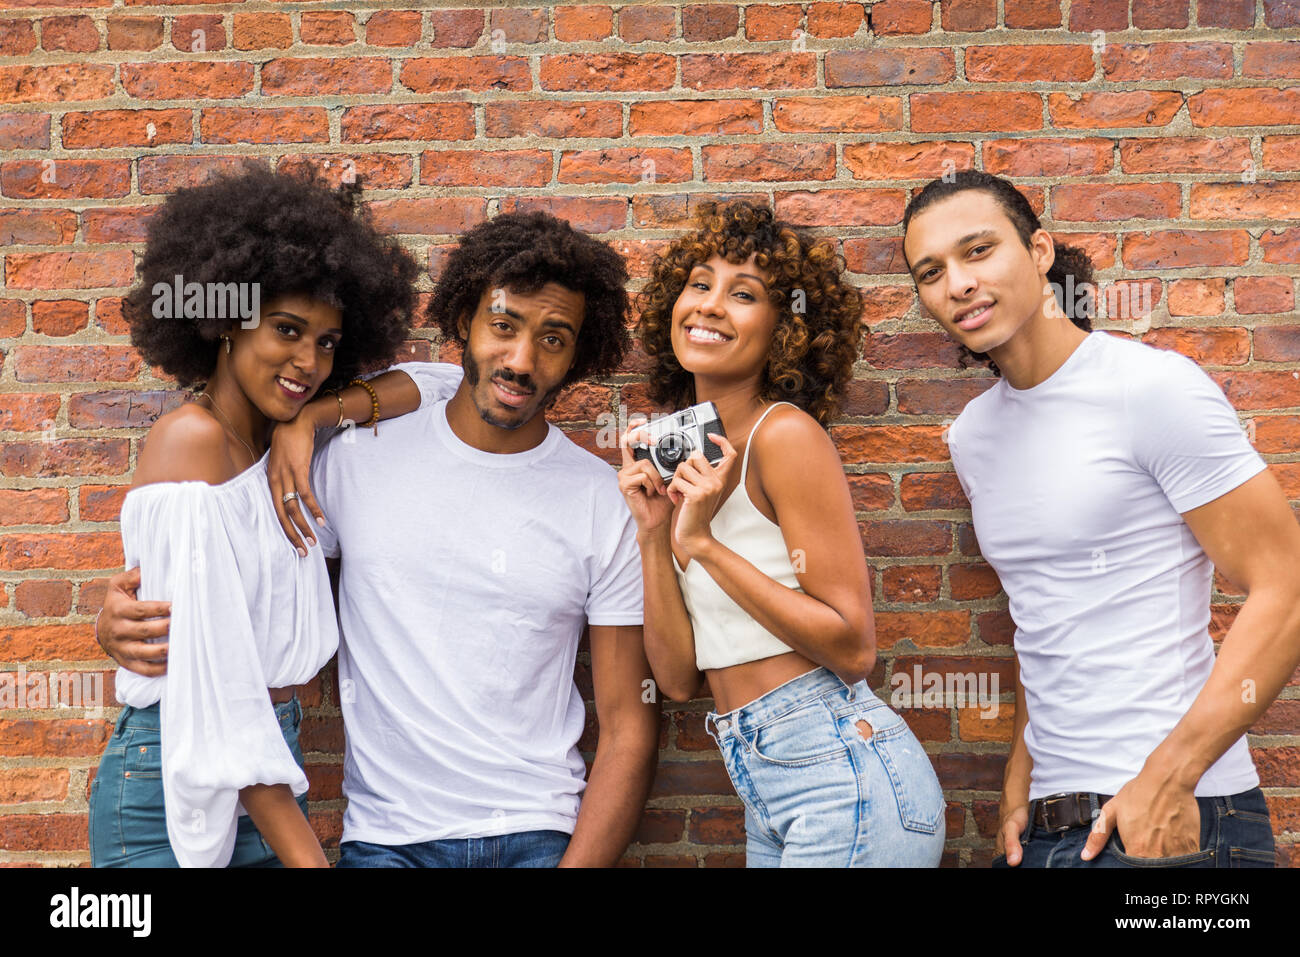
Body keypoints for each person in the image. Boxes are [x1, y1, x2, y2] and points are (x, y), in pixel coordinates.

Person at [99, 210, 660, 868]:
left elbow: (442, 383)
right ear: (463, 323)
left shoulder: (596, 497)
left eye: (554, 339)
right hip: (238, 782)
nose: (520, 359)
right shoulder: (314, 460)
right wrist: (118, 624)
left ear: (579, 353)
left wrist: (312, 416)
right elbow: (212, 665)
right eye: (502, 326)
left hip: (488, 822)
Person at [901, 169, 1300, 868]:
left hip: (1177, 822)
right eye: (930, 271)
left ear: (1040, 252)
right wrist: (1020, 783)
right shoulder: (973, 437)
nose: (957, 283)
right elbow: (1043, 616)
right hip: (1048, 831)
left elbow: (1286, 585)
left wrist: (1170, 777)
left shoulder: (1148, 388)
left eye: (978, 250)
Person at [87, 163, 449, 867]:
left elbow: (444, 385)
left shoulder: (277, 446)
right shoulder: (191, 443)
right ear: (226, 319)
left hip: (265, 761)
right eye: (287, 329)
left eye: (328, 342)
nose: (308, 359)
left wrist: (312, 418)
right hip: (179, 773)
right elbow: (217, 682)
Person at [618, 200, 947, 867]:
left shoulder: (785, 435)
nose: (710, 305)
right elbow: (680, 680)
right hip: (765, 782)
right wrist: (658, 536)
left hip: (839, 769)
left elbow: (852, 648)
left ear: (785, 328)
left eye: (744, 294)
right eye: (699, 284)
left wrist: (705, 544)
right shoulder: (688, 451)